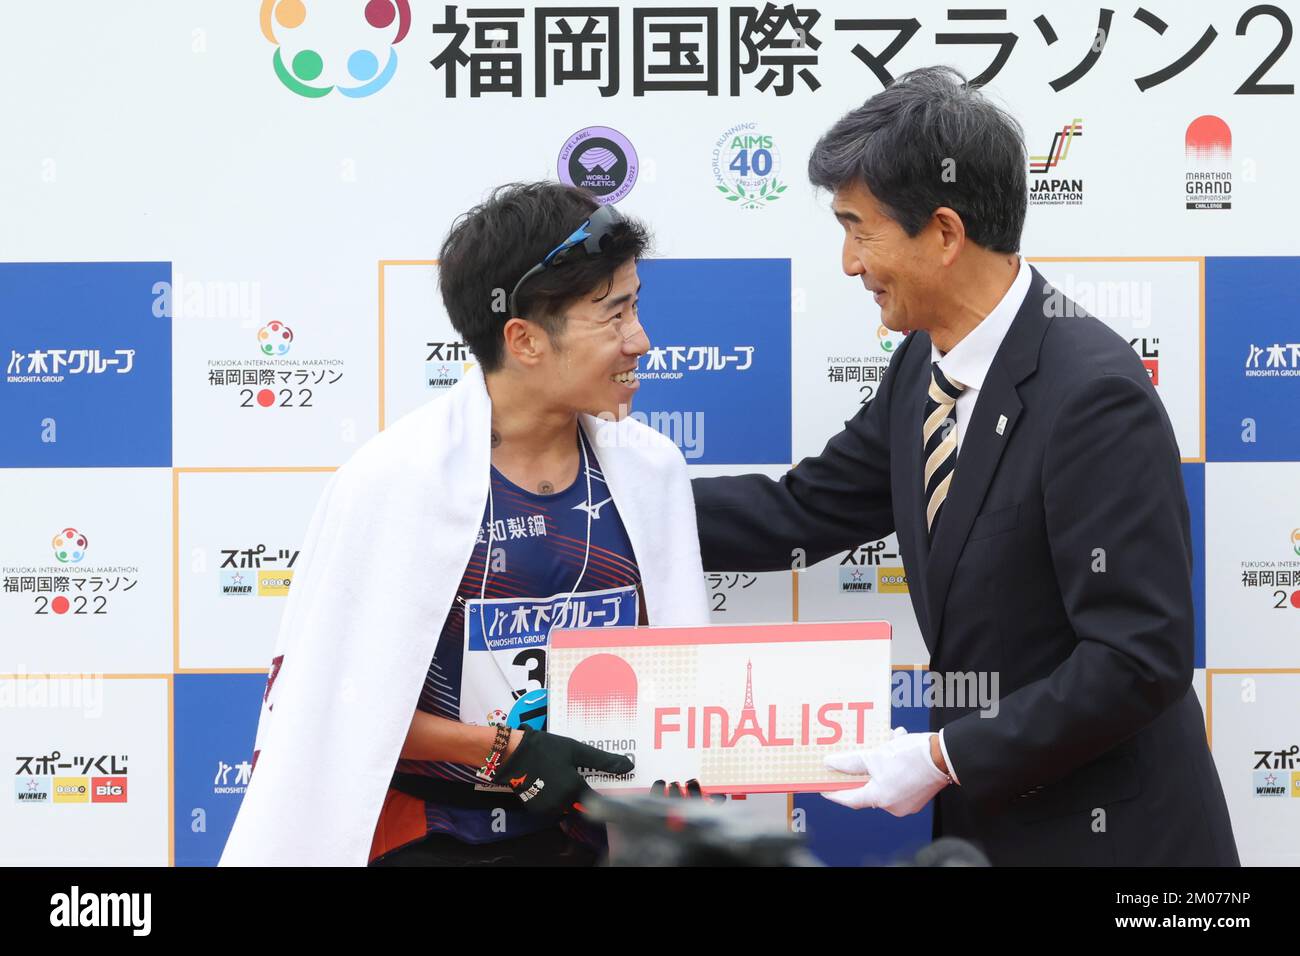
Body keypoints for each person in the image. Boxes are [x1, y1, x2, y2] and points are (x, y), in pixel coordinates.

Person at [691, 67, 1238, 866]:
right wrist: (610, 499)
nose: (847, 262)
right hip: (987, 831)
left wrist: (943, 755)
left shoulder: (1093, 393)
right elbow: (806, 510)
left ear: (944, 233)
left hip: (1110, 839)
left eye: (859, 228)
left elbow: (1136, 659)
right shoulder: (921, 363)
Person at [220, 182, 710, 867]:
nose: (641, 341)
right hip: (441, 839)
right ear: (525, 339)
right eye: (614, 314)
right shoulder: (393, 481)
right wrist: (505, 750)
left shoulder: (649, 468)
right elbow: (330, 705)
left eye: (637, 308)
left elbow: (683, 670)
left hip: (608, 840)